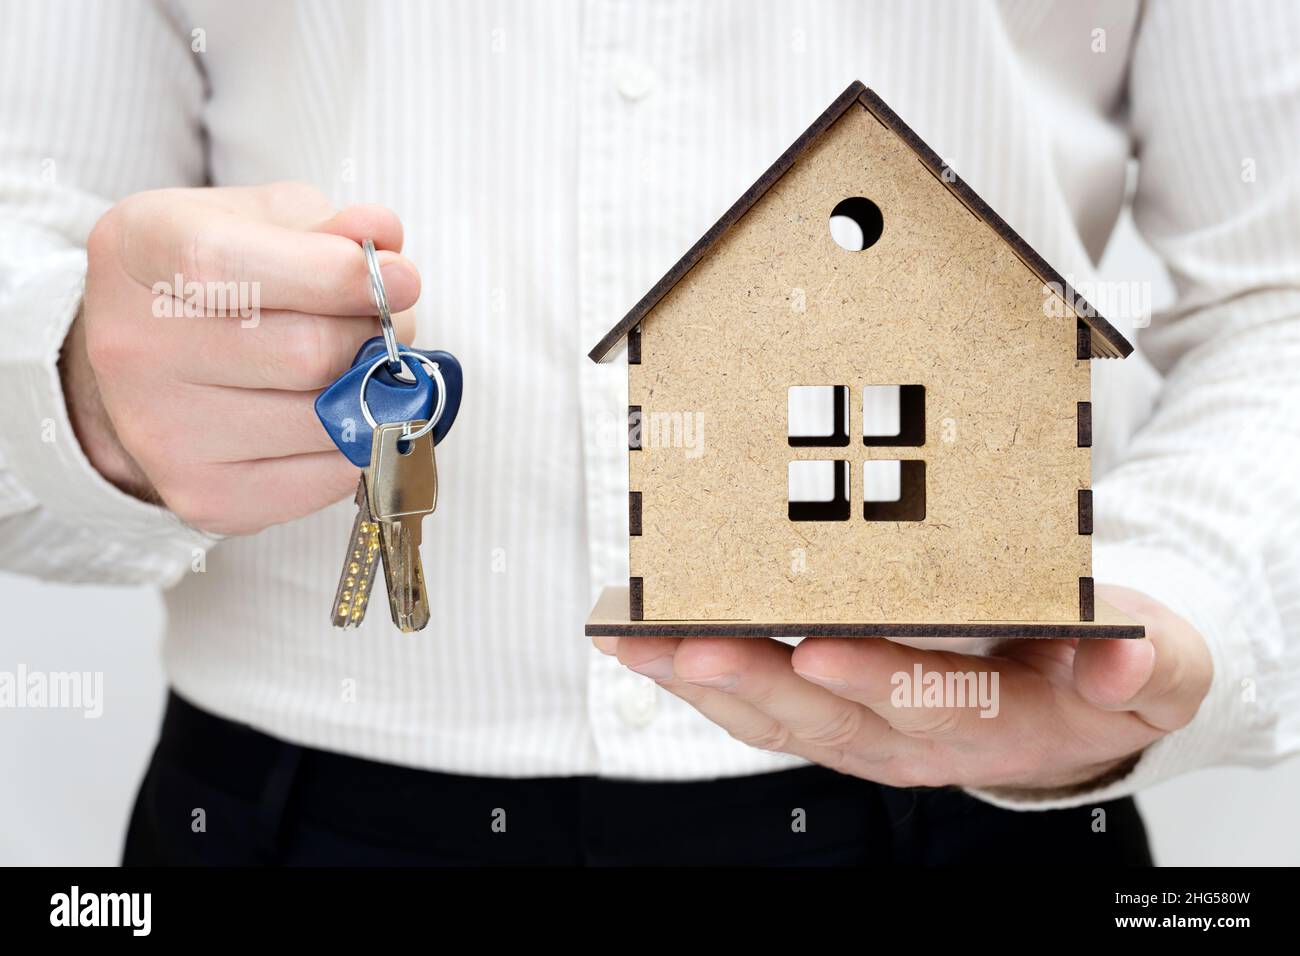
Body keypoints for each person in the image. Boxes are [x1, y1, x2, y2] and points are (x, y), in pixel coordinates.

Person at [0, 0, 1296, 866]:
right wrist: (79, 390)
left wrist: (1188, 590)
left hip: (984, 792)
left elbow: (1278, 287)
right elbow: (27, 213)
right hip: (289, 808)